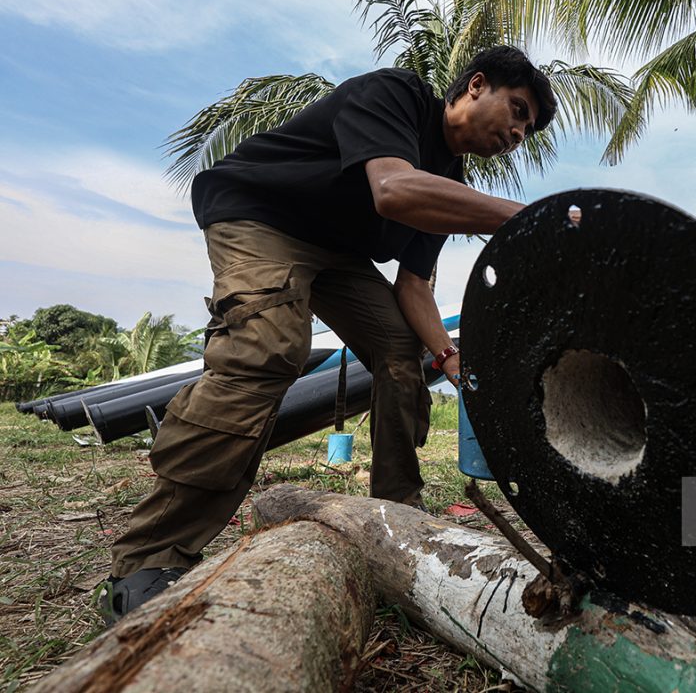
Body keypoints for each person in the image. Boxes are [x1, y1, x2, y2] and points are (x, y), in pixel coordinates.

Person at [100, 45, 557, 623]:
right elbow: (391, 188)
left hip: (337, 257)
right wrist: (520, 217)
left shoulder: (450, 179)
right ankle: (146, 559)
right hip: (258, 215)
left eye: (528, 128)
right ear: (475, 85)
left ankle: (399, 512)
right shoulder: (395, 96)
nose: (518, 132)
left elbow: (414, 288)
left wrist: (447, 357)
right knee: (268, 348)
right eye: (516, 110)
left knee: (400, 353)